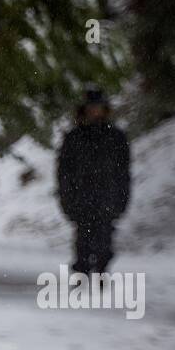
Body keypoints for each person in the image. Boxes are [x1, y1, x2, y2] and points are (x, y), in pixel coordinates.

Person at [57, 88, 131, 274]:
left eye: (97, 107)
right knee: (83, 240)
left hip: (107, 197)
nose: (94, 111)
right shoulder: (74, 138)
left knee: (104, 241)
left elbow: (123, 171)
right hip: (81, 197)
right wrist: (67, 197)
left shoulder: (116, 138)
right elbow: (64, 171)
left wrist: (122, 198)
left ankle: (101, 271)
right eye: (91, 107)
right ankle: (82, 272)